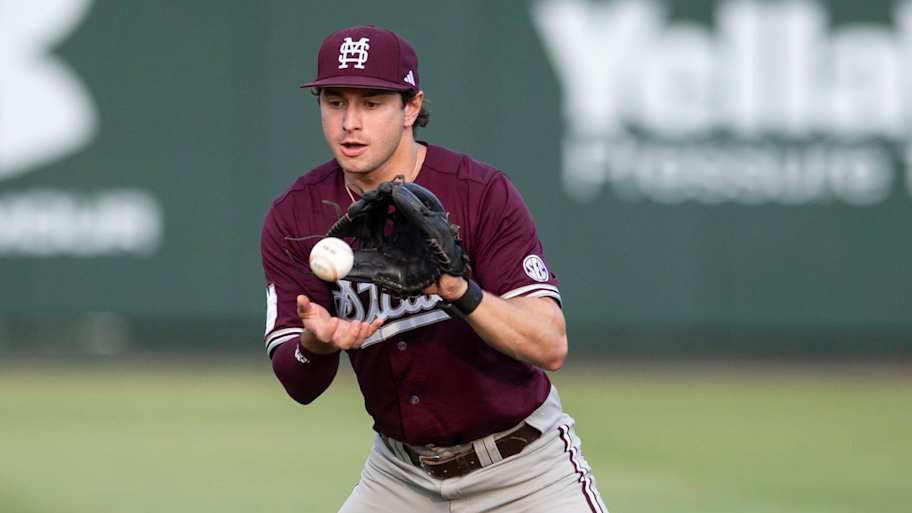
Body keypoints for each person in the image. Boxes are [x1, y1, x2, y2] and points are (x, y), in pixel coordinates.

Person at [260, 25, 608, 513]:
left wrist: (457, 290)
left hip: (525, 471)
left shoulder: (479, 193)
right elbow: (298, 383)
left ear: (412, 107)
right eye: (335, 101)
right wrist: (315, 345)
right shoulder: (297, 217)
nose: (349, 123)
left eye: (373, 102)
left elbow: (550, 344)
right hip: (399, 478)